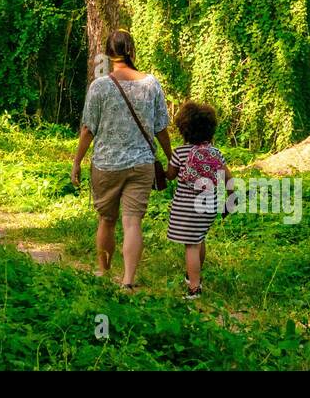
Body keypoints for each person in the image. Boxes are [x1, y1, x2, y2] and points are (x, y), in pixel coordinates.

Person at [71, 30, 175, 290]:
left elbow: (88, 129)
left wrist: (77, 162)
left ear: (108, 54)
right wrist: (171, 158)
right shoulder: (151, 83)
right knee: (132, 222)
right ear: (132, 51)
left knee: (107, 220)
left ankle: (104, 272)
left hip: (107, 165)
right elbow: (161, 128)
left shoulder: (100, 85)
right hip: (141, 164)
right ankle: (128, 280)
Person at [166, 100, 230, 299]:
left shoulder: (180, 153)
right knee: (199, 238)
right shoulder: (216, 153)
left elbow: (170, 175)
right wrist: (231, 200)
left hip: (188, 208)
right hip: (208, 207)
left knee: (191, 246)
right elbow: (229, 179)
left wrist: (159, 170)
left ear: (184, 129)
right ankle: (195, 275)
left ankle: (194, 287)